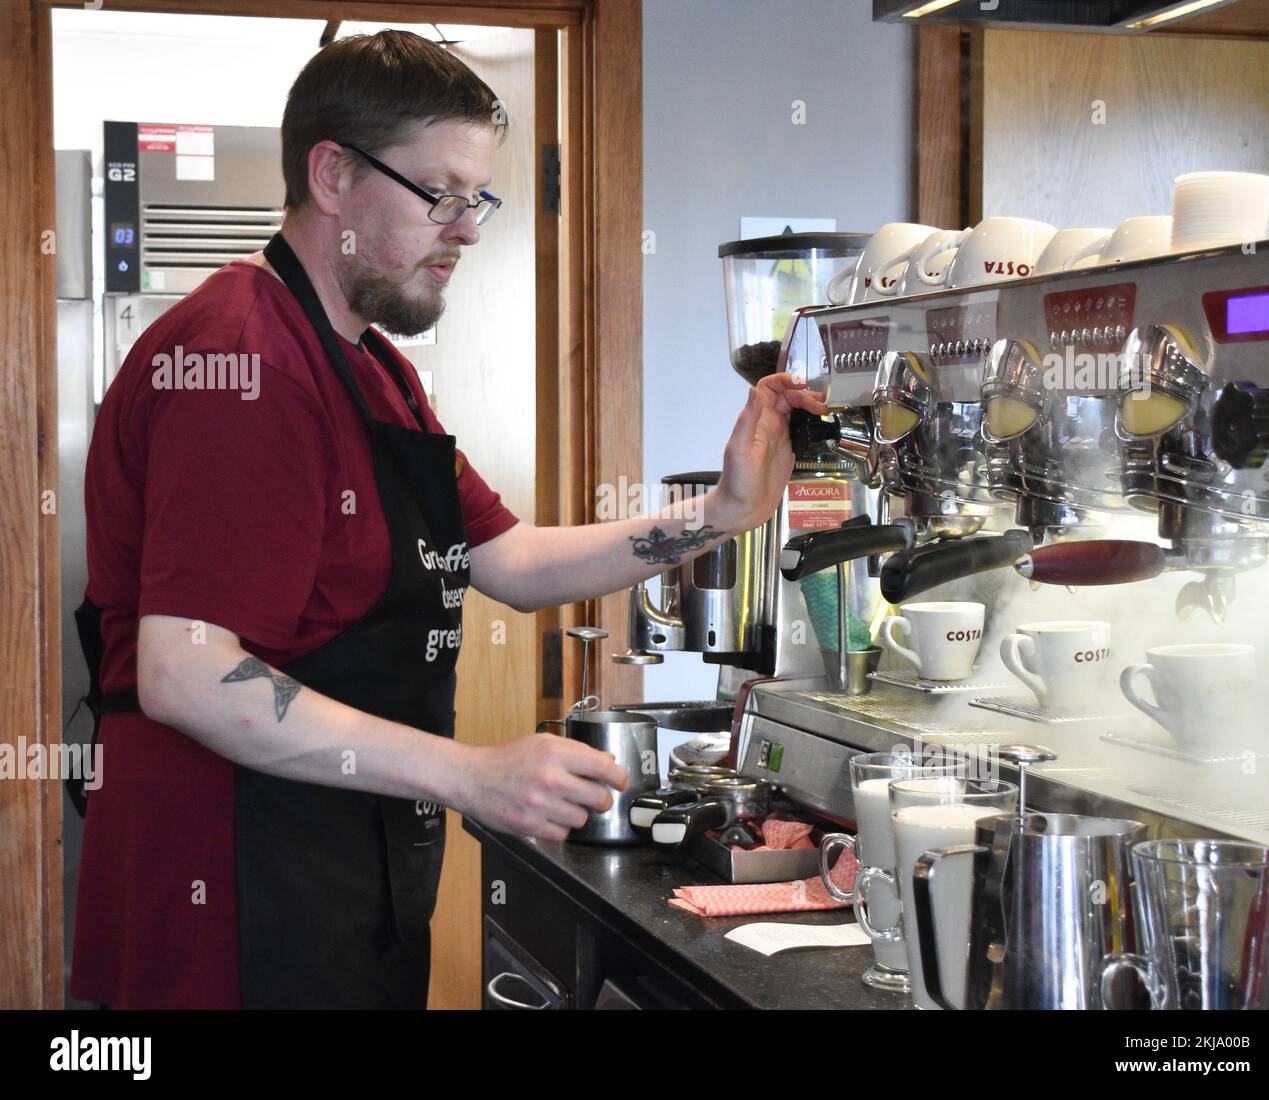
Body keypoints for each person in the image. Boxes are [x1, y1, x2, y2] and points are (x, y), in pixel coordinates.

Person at [70, 29, 827, 1009]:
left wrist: (724, 511)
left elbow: (514, 560)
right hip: (229, 882)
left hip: (341, 855)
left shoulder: (372, 365)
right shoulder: (243, 360)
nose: (468, 229)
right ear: (332, 174)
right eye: (440, 194)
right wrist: (472, 772)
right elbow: (187, 672)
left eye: (480, 198)